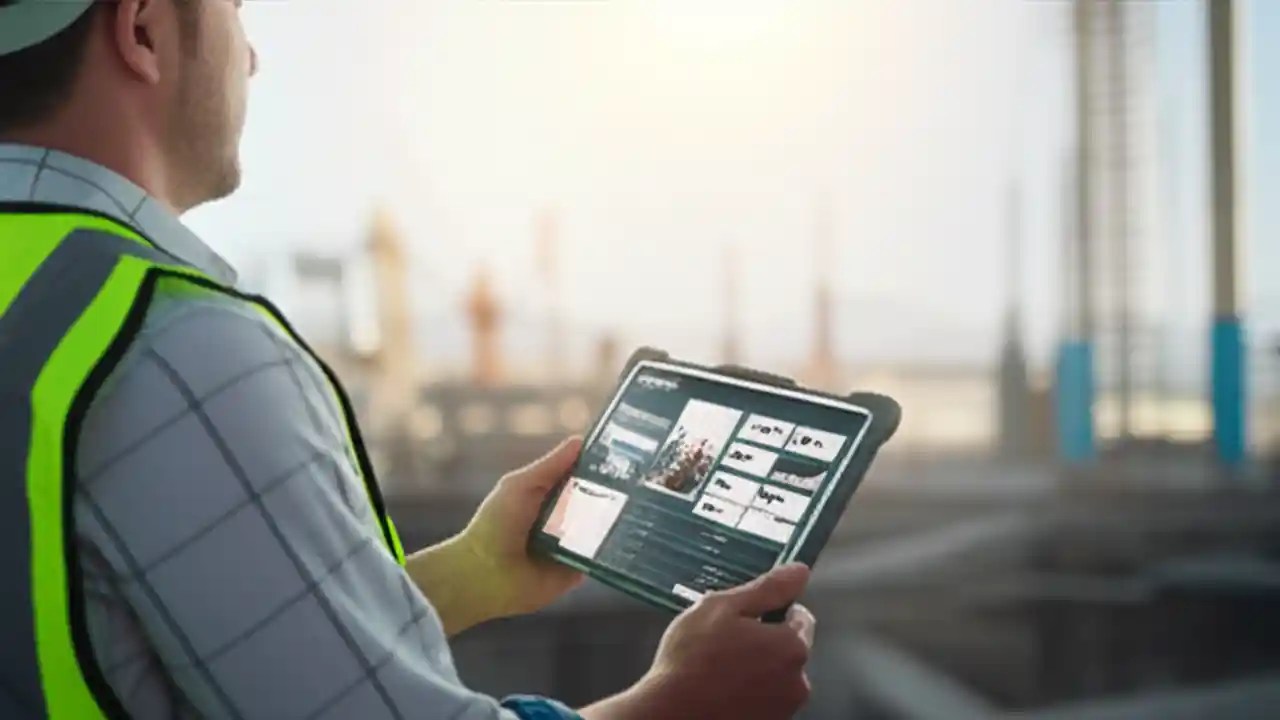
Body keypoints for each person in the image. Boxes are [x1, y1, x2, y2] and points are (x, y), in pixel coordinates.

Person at [0, 2, 817, 718]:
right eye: (235, 11)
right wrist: (679, 704)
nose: (250, 57)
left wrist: (468, 574)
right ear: (142, 28)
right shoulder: (172, 345)